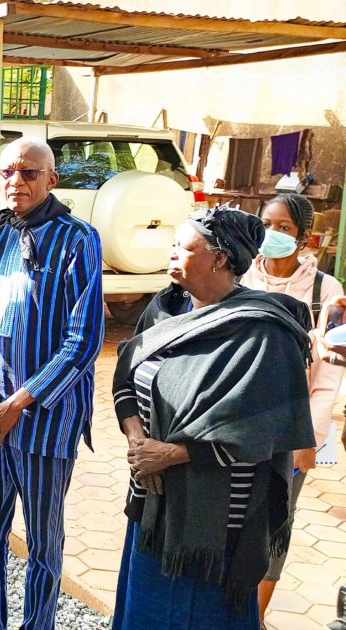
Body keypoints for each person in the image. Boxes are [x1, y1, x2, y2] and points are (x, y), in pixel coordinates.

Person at [111, 206, 316, 630]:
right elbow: (126, 378)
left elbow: (257, 433)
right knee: (145, 613)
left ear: (219, 258)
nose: (171, 254)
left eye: (183, 247)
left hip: (213, 528)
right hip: (154, 505)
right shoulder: (166, 308)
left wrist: (171, 454)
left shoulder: (263, 332)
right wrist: (136, 438)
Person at [0, 137, 104, 629]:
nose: (16, 181)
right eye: (7, 173)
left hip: (44, 420)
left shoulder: (78, 238)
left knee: (42, 542)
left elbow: (83, 340)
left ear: (51, 179)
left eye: (28, 173)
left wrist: (22, 401)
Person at [240, 192, 345, 624]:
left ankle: (255, 617)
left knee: (273, 524)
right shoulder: (239, 276)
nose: (272, 234)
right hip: (237, 423)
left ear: (305, 239)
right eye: (266, 223)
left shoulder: (328, 292)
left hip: (291, 431)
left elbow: (331, 374)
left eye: (284, 228)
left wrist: (309, 439)